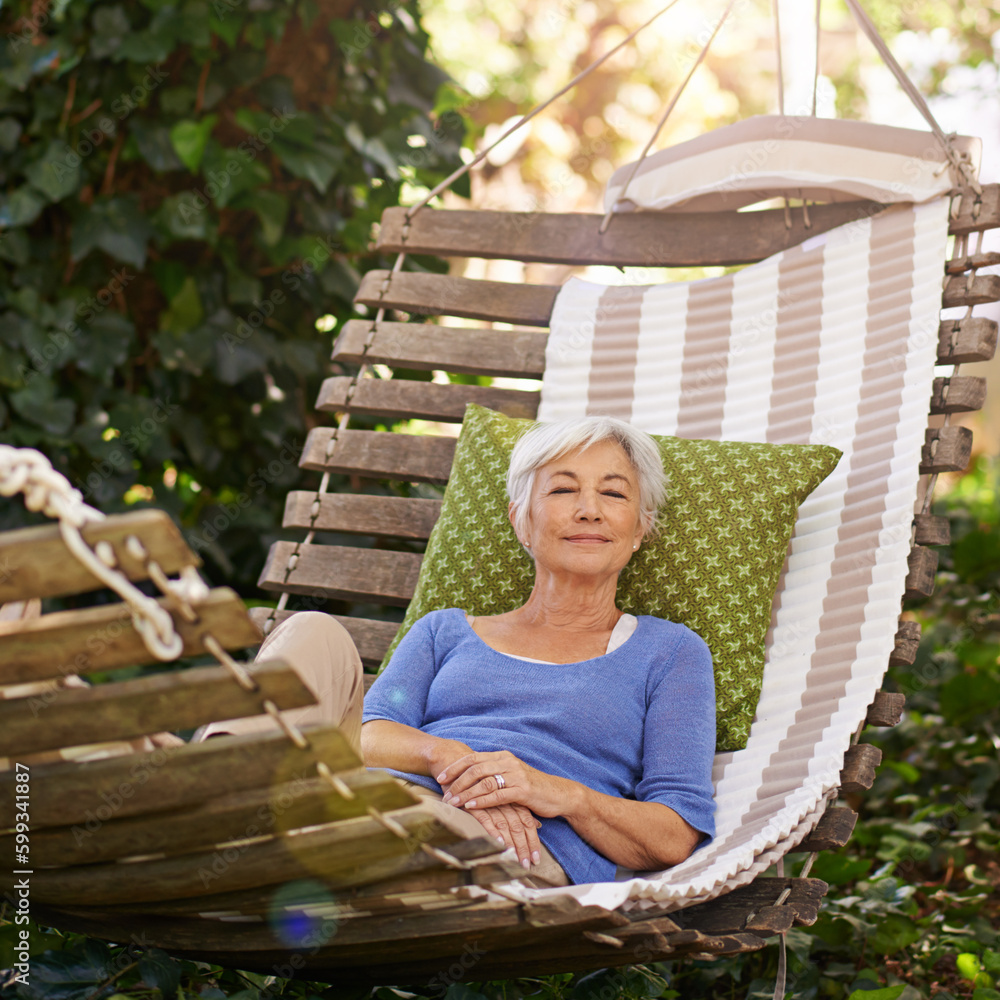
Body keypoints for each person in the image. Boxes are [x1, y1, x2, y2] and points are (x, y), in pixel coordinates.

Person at [196, 417, 717, 888]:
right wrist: (450, 756)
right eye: (562, 489)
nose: (589, 510)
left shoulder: (669, 653)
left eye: (614, 494)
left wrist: (555, 792)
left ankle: (273, 827)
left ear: (640, 528)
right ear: (521, 522)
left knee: (407, 823)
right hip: (384, 795)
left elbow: (673, 834)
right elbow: (367, 735)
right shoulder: (444, 631)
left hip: (510, 842)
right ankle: (202, 796)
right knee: (311, 631)